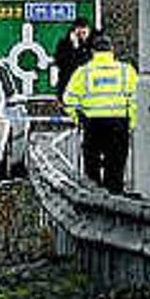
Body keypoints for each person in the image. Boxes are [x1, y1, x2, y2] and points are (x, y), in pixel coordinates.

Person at [62, 35, 137, 194]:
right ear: (112, 50)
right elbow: (135, 100)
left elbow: (68, 99)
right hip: (119, 124)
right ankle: (116, 203)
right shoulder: (126, 71)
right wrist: (131, 124)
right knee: (115, 169)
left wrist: (78, 119)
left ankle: (94, 203)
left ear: (93, 52)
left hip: (92, 126)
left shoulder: (83, 72)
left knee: (92, 170)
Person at [54, 17, 93, 101]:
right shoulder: (64, 44)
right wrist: (74, 46)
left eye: (84, 32)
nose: (81, 34)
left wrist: (82, 46)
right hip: (68, 84)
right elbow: (62, 62)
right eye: (79, 31)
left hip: (86, 86)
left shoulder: (92, 45)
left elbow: (87, 61)